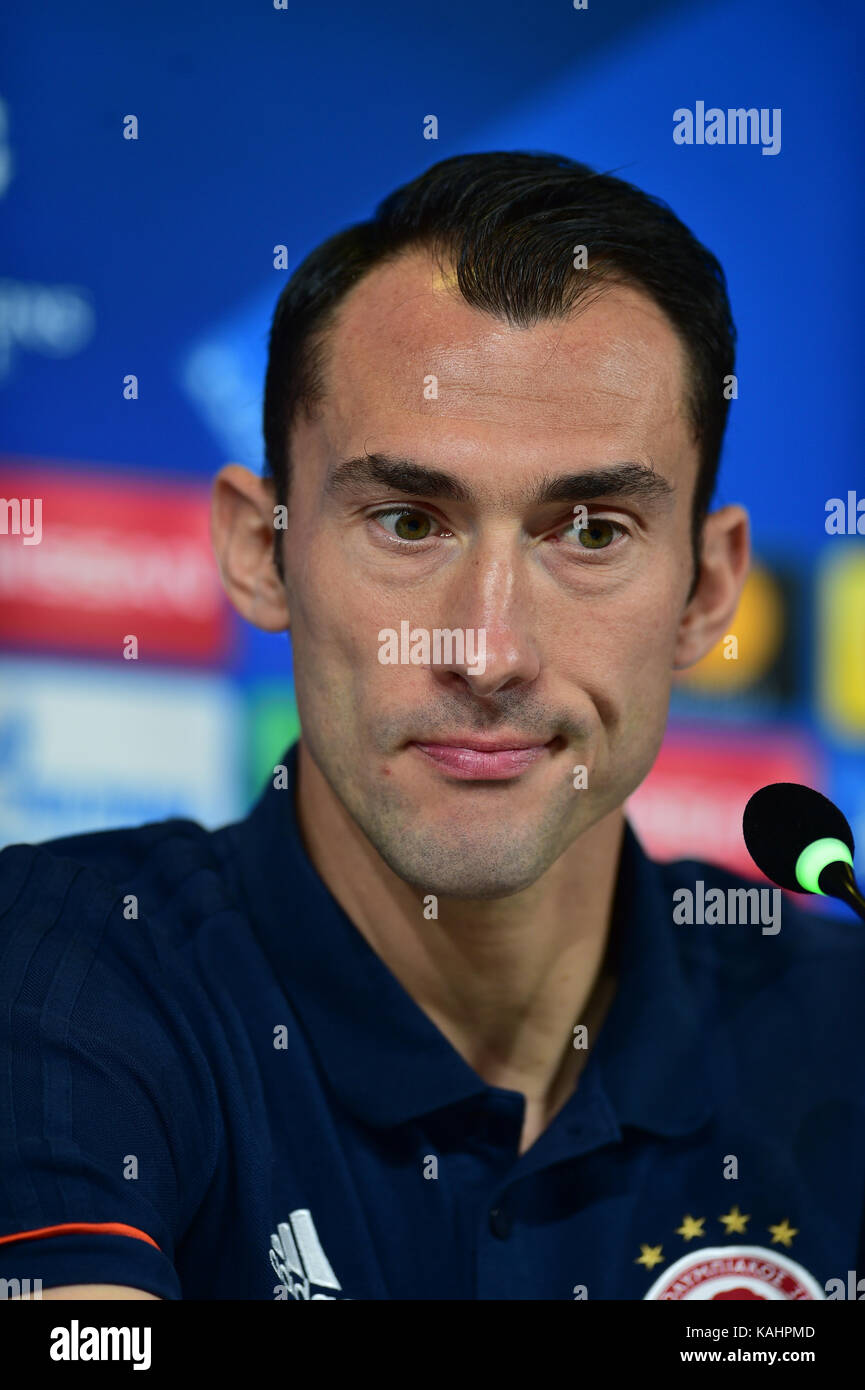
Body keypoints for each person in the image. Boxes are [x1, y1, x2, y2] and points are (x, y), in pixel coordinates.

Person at [2, 152, 862, 1302]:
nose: (489, 652)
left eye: (592, 531)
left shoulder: (838, 1021)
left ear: (707, 594)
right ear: (265, 552)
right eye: (409, 521)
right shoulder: (60, 967)